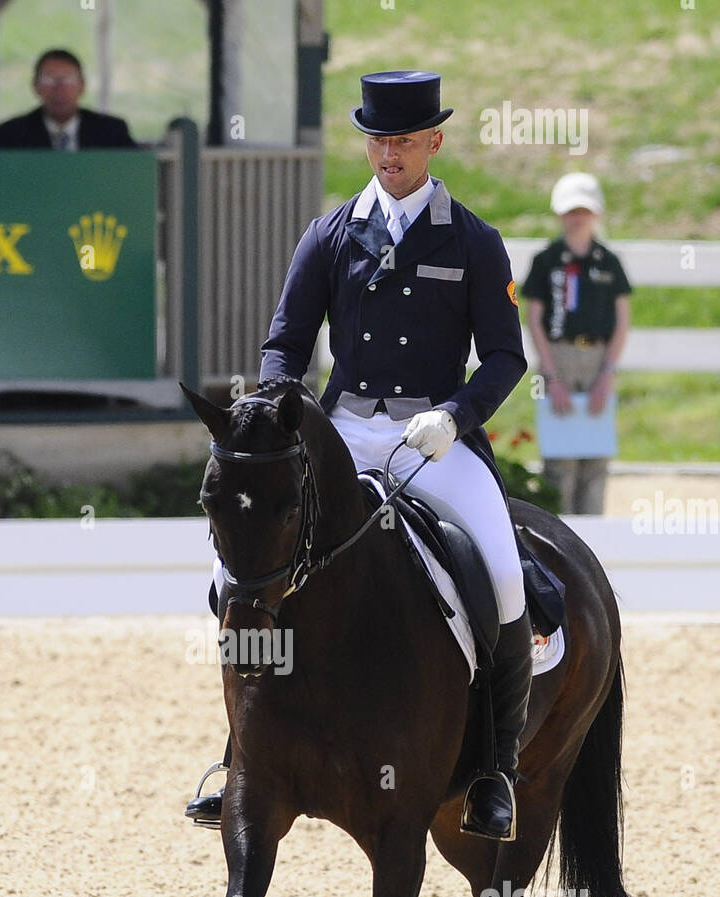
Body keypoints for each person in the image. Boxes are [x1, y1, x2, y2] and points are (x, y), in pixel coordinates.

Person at [187, 70, 530, 842]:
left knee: (505, 581)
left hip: (435, 440)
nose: (389, 154)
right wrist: (278, 419)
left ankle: (494, 773)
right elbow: (284, 344)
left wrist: (457, 413)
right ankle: (239, 755)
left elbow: (507, 358)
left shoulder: (473, 239)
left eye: (404, 140)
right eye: (378, 139)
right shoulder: (331, 233)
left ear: (434, 142)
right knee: (227, 579)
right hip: (339, 433)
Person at [522, 172, 631, 514]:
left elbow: (622, 319)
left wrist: (608, 373)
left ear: (596, 213)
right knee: (560, 459)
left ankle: (594, 538)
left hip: (598, 357)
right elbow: (535, 319)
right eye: (572, 211)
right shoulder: (547, 260)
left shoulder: (608, 262)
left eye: (584, 210)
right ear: (560, 213)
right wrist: (551, 377)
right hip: (559, 356)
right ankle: (561, 539)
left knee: (595, 457)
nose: (578, 218)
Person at [0, 48, 138, 150]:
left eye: (68, 79)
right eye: (49, 80)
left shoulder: (111, 132)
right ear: (35, 87)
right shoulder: (10, 135)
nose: (59, 88)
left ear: (82, 86)